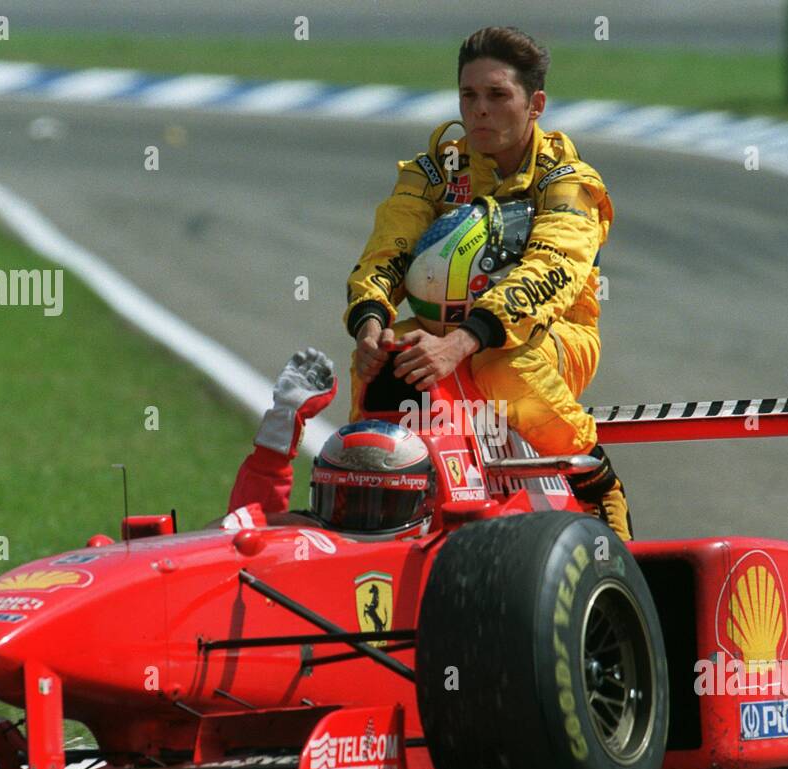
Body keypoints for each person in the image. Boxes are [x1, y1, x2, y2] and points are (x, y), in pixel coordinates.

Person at [342, 26, 633, 539]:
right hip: (446, 334)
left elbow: (550, 272)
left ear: (535, 104)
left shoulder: (567, 181)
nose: (480, 110)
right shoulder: (434, 171)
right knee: (385, 362)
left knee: (499, 366)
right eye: (469, 95)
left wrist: (459, 342)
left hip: (557, 336)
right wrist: (370, 323)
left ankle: (595, 479)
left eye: (498, 95)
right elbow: (387, 249)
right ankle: (372, 499)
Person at [219, 349, 436, 540]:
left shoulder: (443, 557)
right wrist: (278, 435)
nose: (359, 520)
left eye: (383, 505)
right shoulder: (308, 540)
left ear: (424, 502)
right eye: (344, 503)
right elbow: (234, 536)